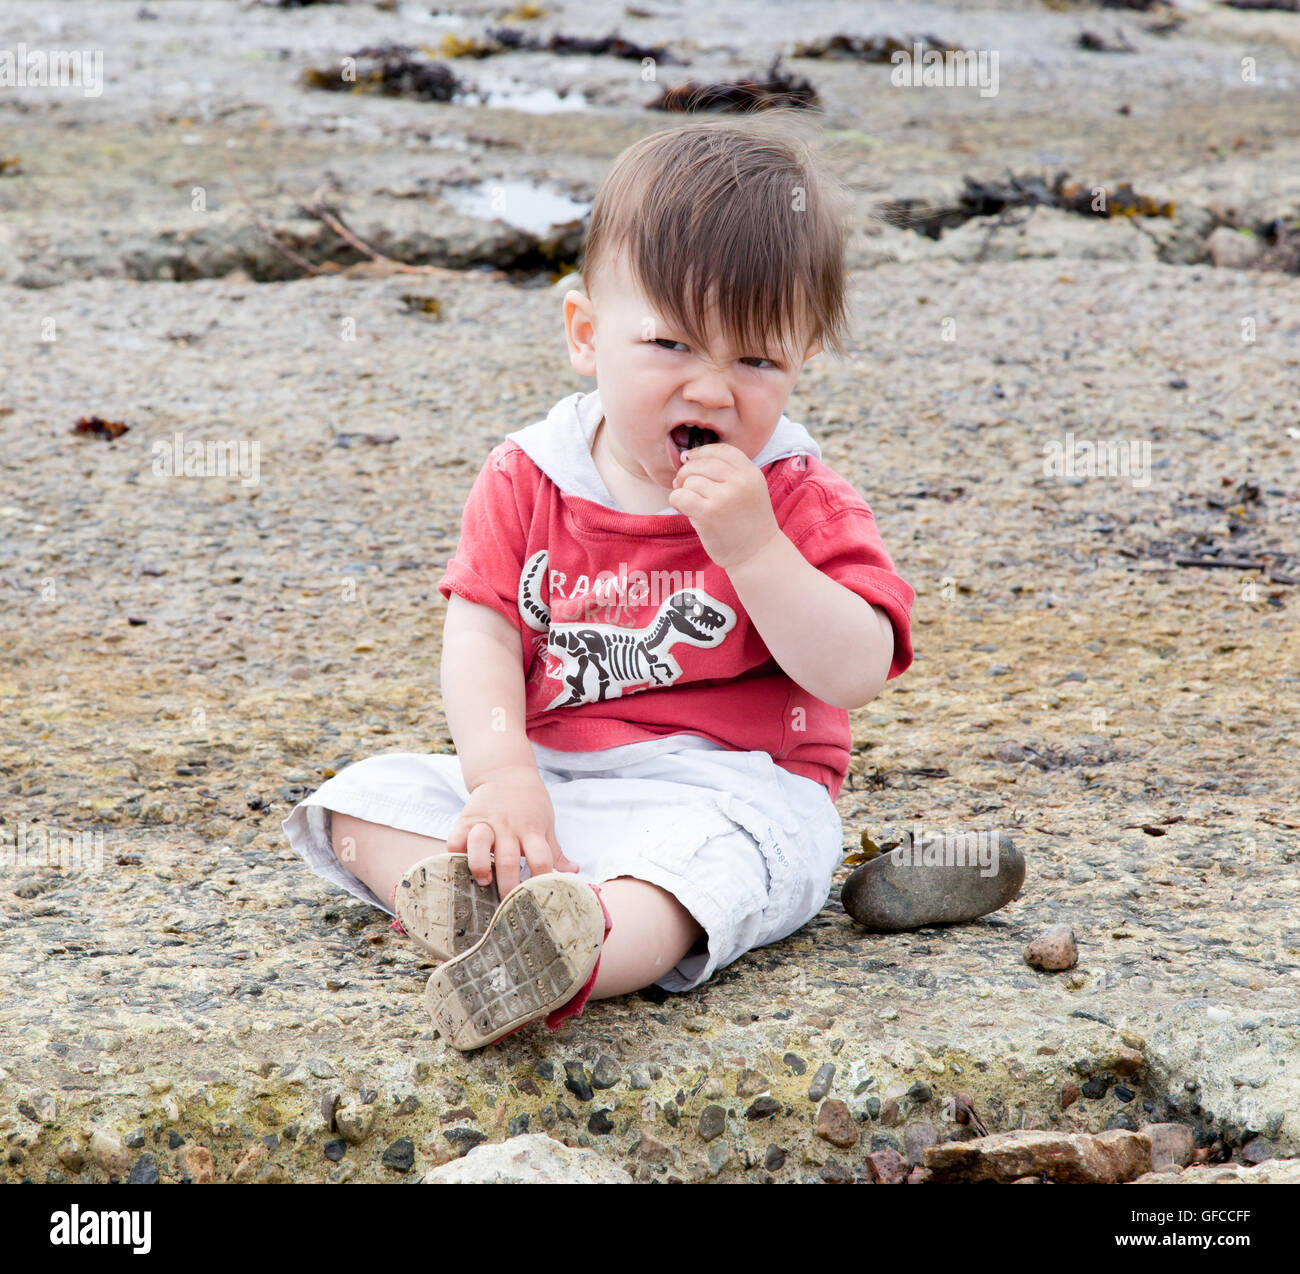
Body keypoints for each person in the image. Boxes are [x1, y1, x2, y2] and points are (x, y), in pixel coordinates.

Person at [283, 112, 1016, 1052]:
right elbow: (482, 635)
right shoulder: (528, 474)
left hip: (733, 790)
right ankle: (482, 903)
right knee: (358, 800)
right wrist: (503, 780)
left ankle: (568, 954)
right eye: (671, 347)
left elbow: (857, 669)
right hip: (551, 783)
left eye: (755, 360)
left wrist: (755, 552)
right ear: (587, 335)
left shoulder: (794, 496)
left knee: (697, 880)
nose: (712, 392)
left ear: (803, 361)